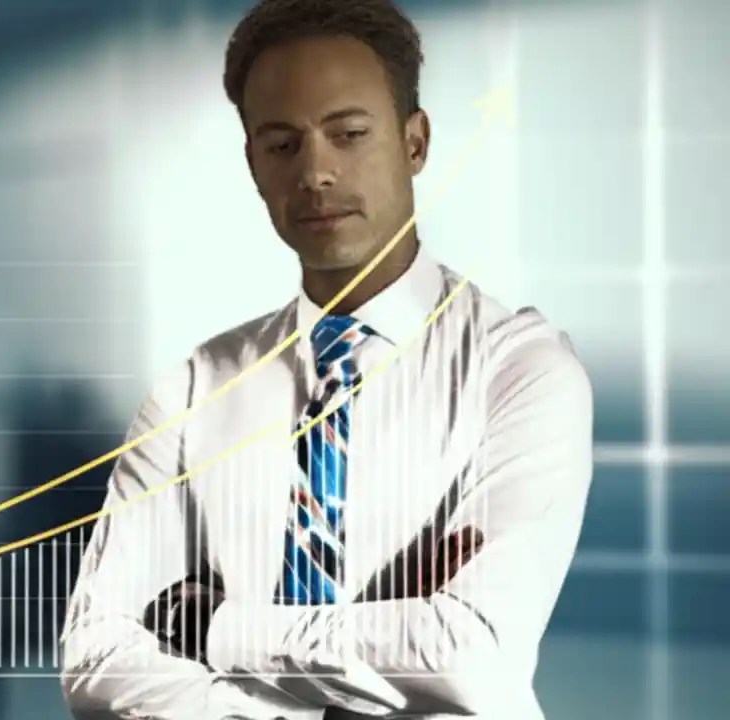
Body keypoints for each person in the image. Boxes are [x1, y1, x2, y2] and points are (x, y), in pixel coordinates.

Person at [59, 0, 594, 718]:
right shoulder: (197, 388)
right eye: (282, 145)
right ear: (252, 163)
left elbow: (471, 652)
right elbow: (95, 655)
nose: (315, 172)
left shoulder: (518, 371)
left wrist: (214, 626)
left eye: (348, 135)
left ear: (415, 143)